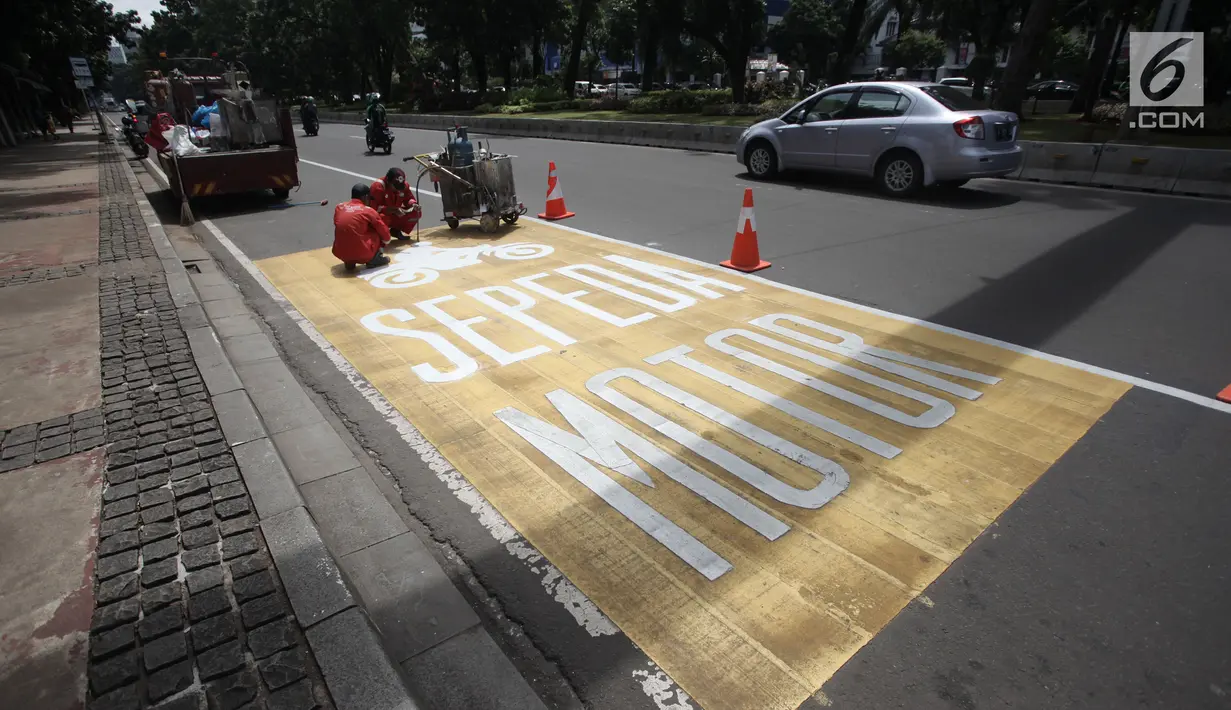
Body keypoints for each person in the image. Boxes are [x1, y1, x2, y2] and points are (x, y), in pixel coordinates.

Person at [333, 183, 392, 270]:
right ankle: (373, 259)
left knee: (349, 229)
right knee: (377, 230)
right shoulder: (368, 211)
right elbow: (386, 235)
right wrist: (386, 242)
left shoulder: (339, 207)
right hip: (362, 253)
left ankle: (349, 262)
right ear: (365, 197)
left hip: (340, 252)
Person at [369, 167, 421, 240]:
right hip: (384, 214)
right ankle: (380, 237)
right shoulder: (377, 187)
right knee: (382, 218)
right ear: (388, 181)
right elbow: (373, 209)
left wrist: (413, 204)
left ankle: (396, 231)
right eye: (395, 186)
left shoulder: (403, 186)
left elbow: (409, 198)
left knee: (416, 213)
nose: (398, 189)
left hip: (396, 213)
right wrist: (392, 210)